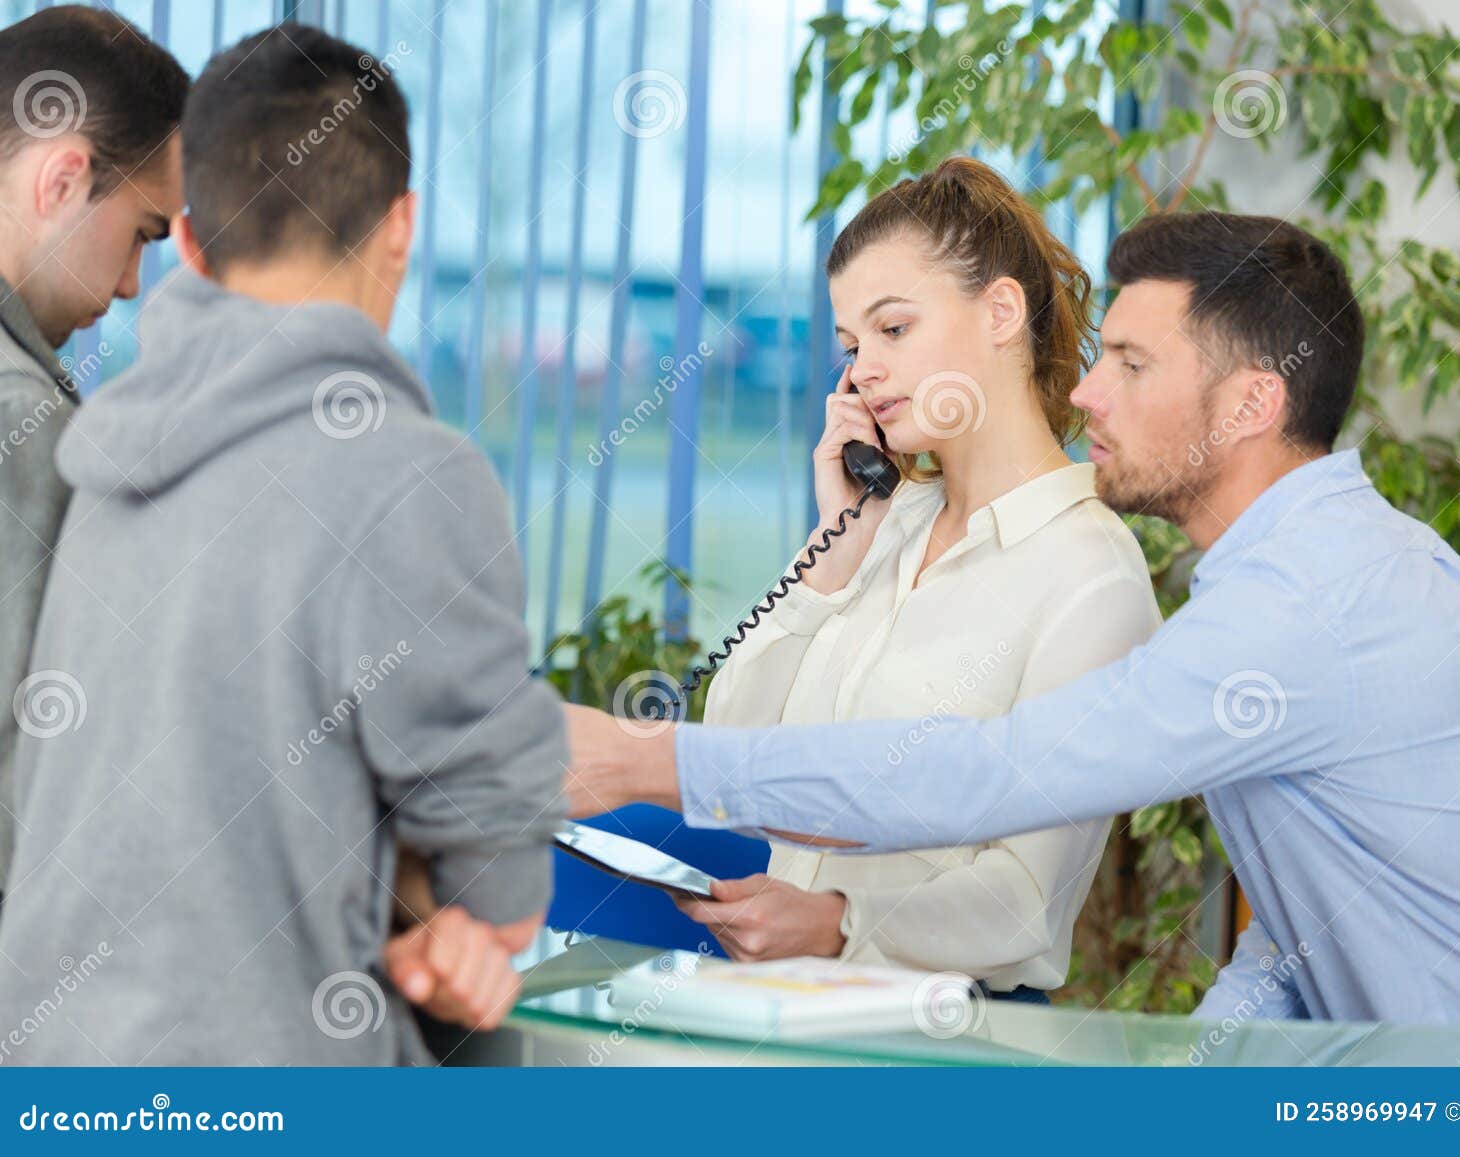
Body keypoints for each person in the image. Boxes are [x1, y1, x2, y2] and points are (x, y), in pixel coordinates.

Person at [565, 210, 1460, 1024]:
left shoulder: (1307, 599)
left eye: (1133, 365)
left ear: (1251, 404)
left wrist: (645, 758)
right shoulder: (1308, 570)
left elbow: (991, 773)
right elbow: (1299, 930)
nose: (1090, 393)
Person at [0, 24, 566, 1064]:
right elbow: (496, 859)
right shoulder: (409, 474)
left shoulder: (104, 465)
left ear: (194, 247)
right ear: (401, 227)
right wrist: (469, 917)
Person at [671, 158, 1159, 1002]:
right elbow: (732, 756)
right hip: (787, 1008)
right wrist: (836, 547)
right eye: (852, 346)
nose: (863, 370)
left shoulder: (1092, 574)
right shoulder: (877, 521)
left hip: (948, 1028)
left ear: (1001, 312)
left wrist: (837, 920)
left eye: (893, 329)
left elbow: (1024, 896)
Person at [0, 4, 185, 910]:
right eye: (143, 232)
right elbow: (29, 797)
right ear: (64, 177)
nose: (130, 283)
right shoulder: (22, 418)